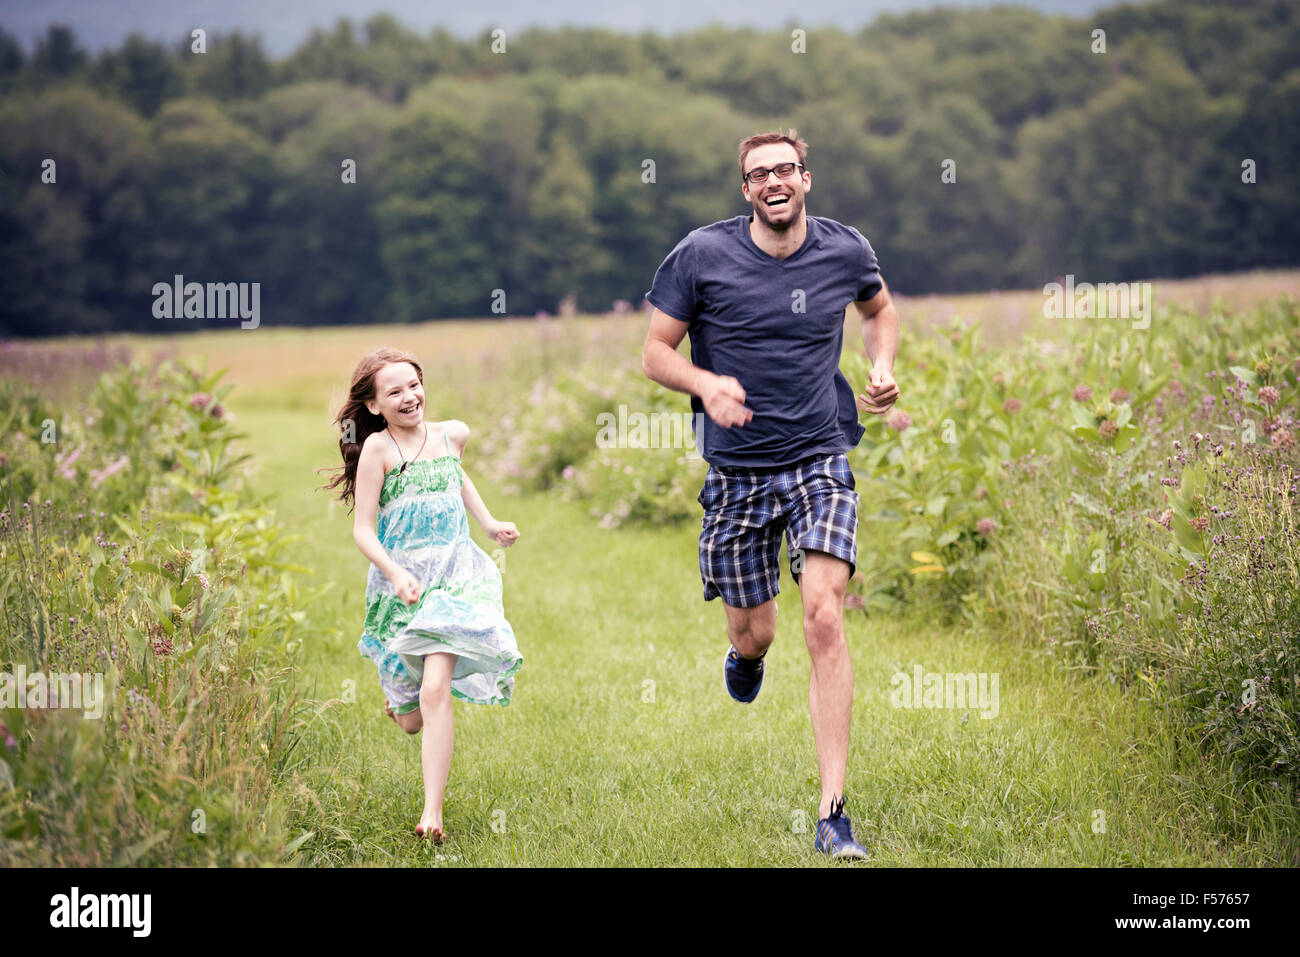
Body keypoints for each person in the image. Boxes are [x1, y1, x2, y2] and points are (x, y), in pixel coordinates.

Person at [641, 129, 901, 861]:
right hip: (737, 472)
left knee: (824, 615)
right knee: (755, 630)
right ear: (746, 190)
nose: (774, 181)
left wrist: (880, 365)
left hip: (820, 455)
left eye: (785, 168)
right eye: (759, 174)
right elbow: (655, 351)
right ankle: (747, 657)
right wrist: (705, 383)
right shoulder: (701, 255)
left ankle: (833, 814)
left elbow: (879, 310)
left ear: (806, 179)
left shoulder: (846, 249)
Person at [321, 346, 522, 843]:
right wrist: (394, 573)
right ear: (374, 406)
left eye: (414, 385)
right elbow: (363, 532)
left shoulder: (453, 434)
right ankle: (398, 706)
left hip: (456, 576)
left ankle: (432, 814)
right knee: (412, 720)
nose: (409, 397)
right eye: (394, 392)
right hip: (403, 586)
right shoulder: (379, 451)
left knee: (436, 691)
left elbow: (458, 479)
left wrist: (489, 523)